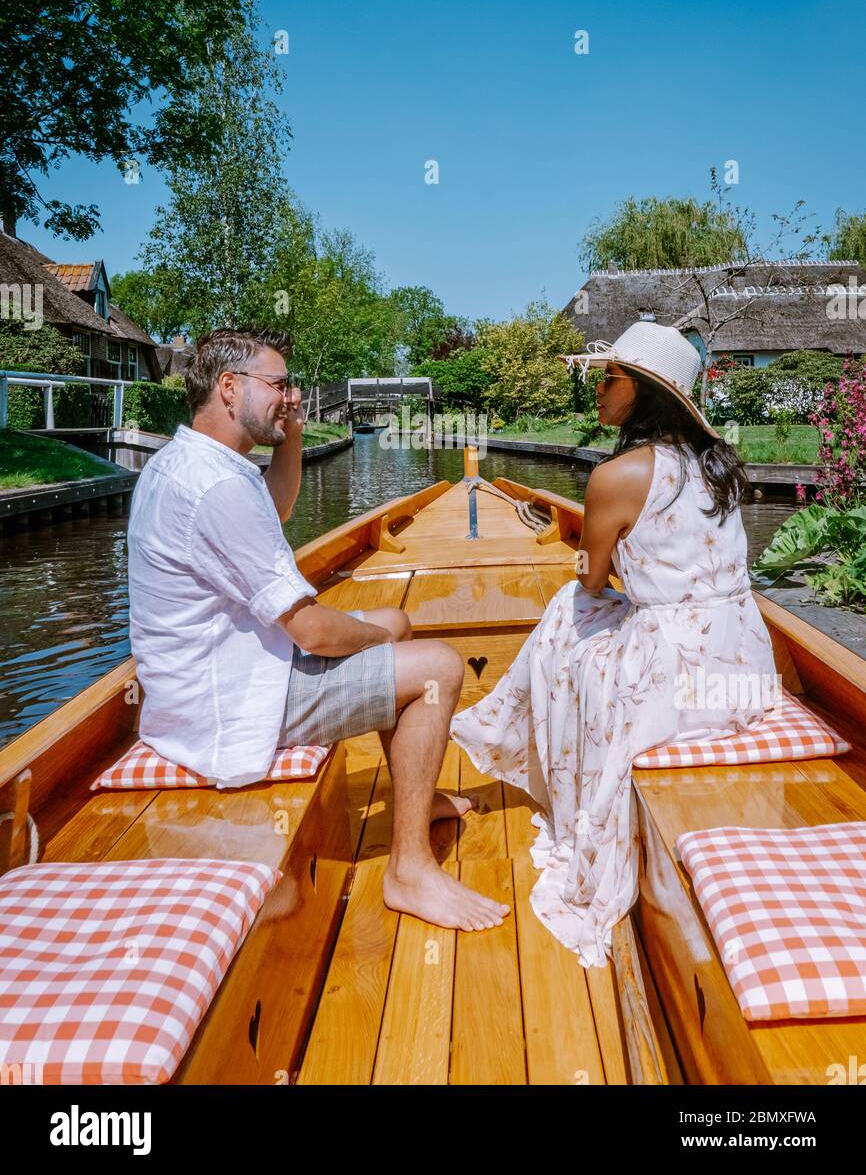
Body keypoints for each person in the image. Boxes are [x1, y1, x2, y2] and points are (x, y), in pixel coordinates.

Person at [127, 328, 508, 934]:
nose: (290, 395)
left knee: (397, 620)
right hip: (228, 703)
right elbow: (312, 632)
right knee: (436, 667)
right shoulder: (216, 486)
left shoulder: (195, 461)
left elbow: (274, 508)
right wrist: (379, 644)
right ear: (230, 387)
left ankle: (419, 794)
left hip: (221, 671)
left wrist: (292, 430)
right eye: (278, 385)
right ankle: (409, 869)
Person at [450, 321, 778, 967]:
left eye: (609, 378)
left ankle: (506, 743)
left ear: (646, 392)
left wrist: (596, 572)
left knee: (564, 615)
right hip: (746, 664)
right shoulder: (718, 465)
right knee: (579, 619)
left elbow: (593, 577)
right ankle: (500, 737)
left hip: (678, 677)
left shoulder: (617, 477)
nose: (597, 389)